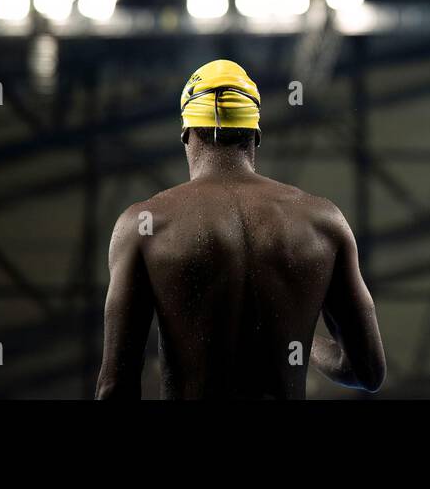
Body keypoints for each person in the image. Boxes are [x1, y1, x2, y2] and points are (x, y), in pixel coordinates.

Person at [96, 59, 385, 399]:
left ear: (188, 134)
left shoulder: (146, 225)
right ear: (254, 135)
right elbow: (366, 371)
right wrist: (297, 344)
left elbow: (115, 386)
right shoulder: (323, 222)